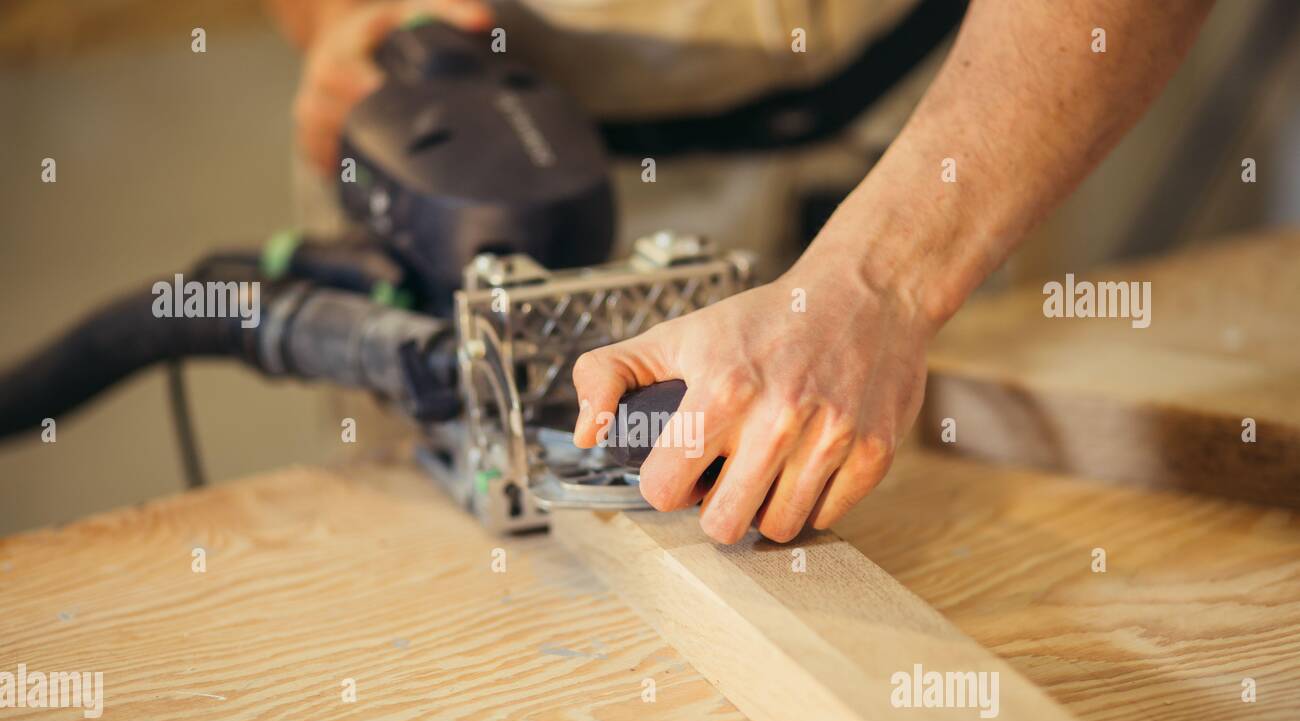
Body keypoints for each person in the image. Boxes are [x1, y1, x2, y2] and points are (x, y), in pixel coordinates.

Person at [271, 0, 1214, 544]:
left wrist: (882, 280)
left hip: (940, 150)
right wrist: (344, 22)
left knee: (961, 542)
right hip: (490, 157)